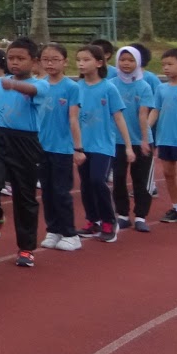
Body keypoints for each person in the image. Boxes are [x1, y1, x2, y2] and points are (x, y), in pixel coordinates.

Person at [0, 38, 44, 263]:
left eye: (21, 58)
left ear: (34, 61)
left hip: (25, 142)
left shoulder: (41, 85)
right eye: (11, 58)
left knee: (24, 195)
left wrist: (14, 85)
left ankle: (26, 248)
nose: (15, 63)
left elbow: (32, 90)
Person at [73, 45, 132, 244]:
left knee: (98, 180)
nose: (81, 64)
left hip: (102, 145)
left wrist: (128, 145)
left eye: (86, 60)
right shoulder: (76, 88)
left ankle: (109, 220)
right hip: (81, 145)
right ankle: (93, 220)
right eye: (78, 60)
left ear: (99, 63)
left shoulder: (108, 88)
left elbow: (119, 117)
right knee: (86, 184)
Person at [34, 43, 85, 252]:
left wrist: (78, 148)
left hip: (62, 148)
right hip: (41, 147)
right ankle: (53, 229)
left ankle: (70, 233)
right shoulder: (38, 85)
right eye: (46, 59)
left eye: (55, 59)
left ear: (65, 62)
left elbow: (73, 119)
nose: (50, 63)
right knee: (46, 191)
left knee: (61, 191)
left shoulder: (72, 87)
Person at [111, 44, 157, 232]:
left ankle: (140, 216)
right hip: (117, 141)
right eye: (122, 60)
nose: (126, 63)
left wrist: (145, 139)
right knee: (118, 178)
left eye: (131, 60)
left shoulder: (143, 85)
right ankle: (122, 214)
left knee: (141, 179)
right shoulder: (112, 84)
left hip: (140, 140)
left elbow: (143, 114)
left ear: (137, 62)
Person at [155, 49, 177, 222]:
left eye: (170, 64)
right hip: (165, 138)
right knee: (168, 173)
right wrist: (146, 128)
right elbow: (155, 110)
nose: (166, 68)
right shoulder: (161, 88)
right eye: (164, 65)